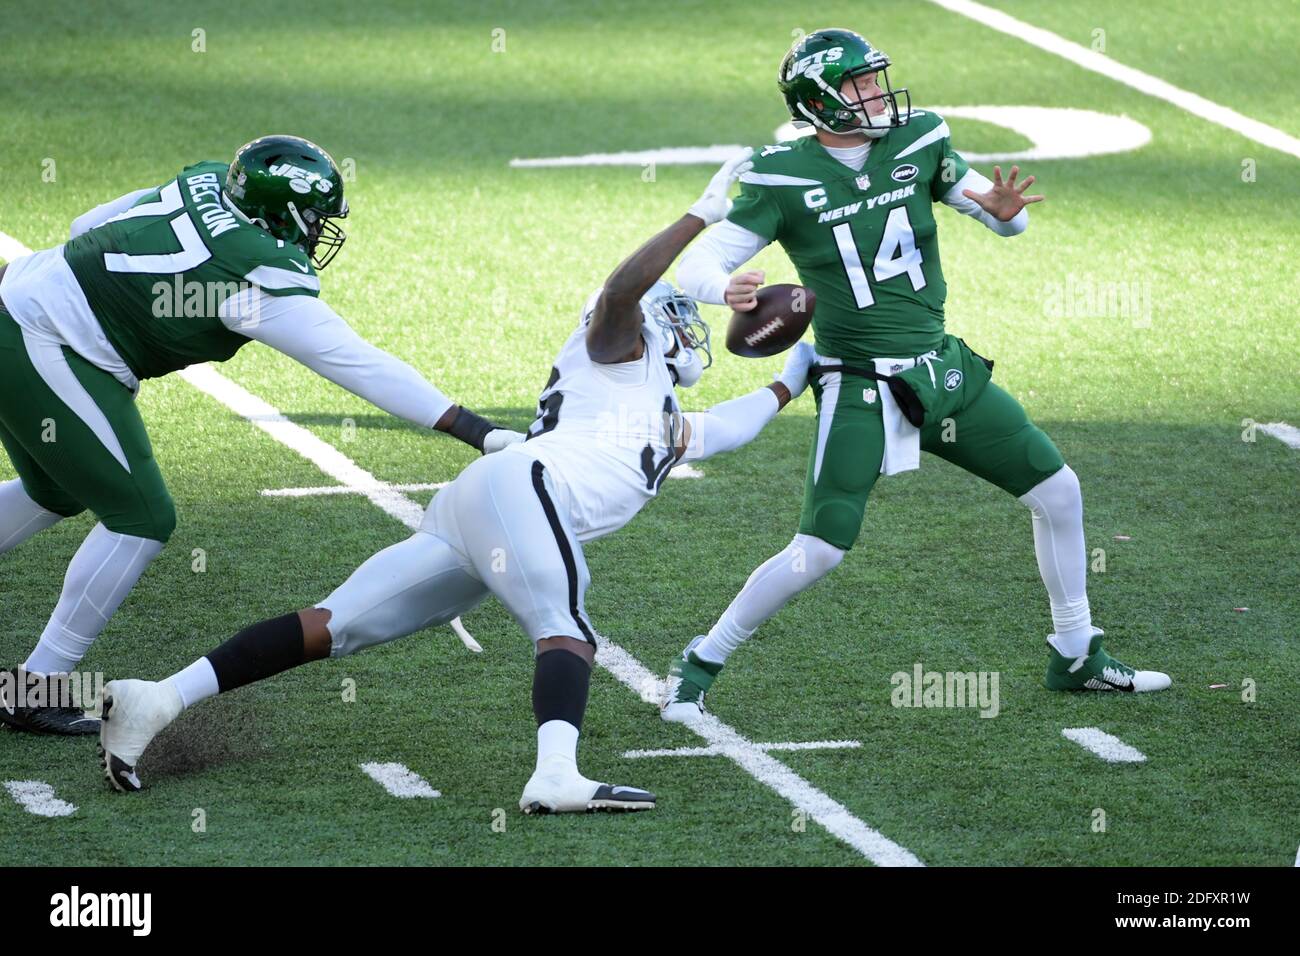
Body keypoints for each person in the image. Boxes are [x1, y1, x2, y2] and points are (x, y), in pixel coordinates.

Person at [97, 150, 818, 812]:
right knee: (565, 625)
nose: (697, 332)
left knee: (333, 625)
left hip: (488, 509)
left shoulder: (660, 412)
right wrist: (699, 217)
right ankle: (556, 775)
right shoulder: (616, 349)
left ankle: (156, 699)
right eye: (684, 319)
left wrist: (796, 376)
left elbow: (730, 426)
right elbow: (622, 288)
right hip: (523, 488)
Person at [661, 28, 1169, 724]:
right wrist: (730, 293)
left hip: (940, 370)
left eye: (876, 78)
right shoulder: (782, 175)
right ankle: (700, 664)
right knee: (819, 549)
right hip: (859, 382)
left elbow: (998, 212)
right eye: (859, 84)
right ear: (819, 101)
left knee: (1058, 490)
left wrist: (1004, 215)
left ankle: (1076, 649)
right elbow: (696, 268)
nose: (877, 92)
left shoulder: (920, 139)